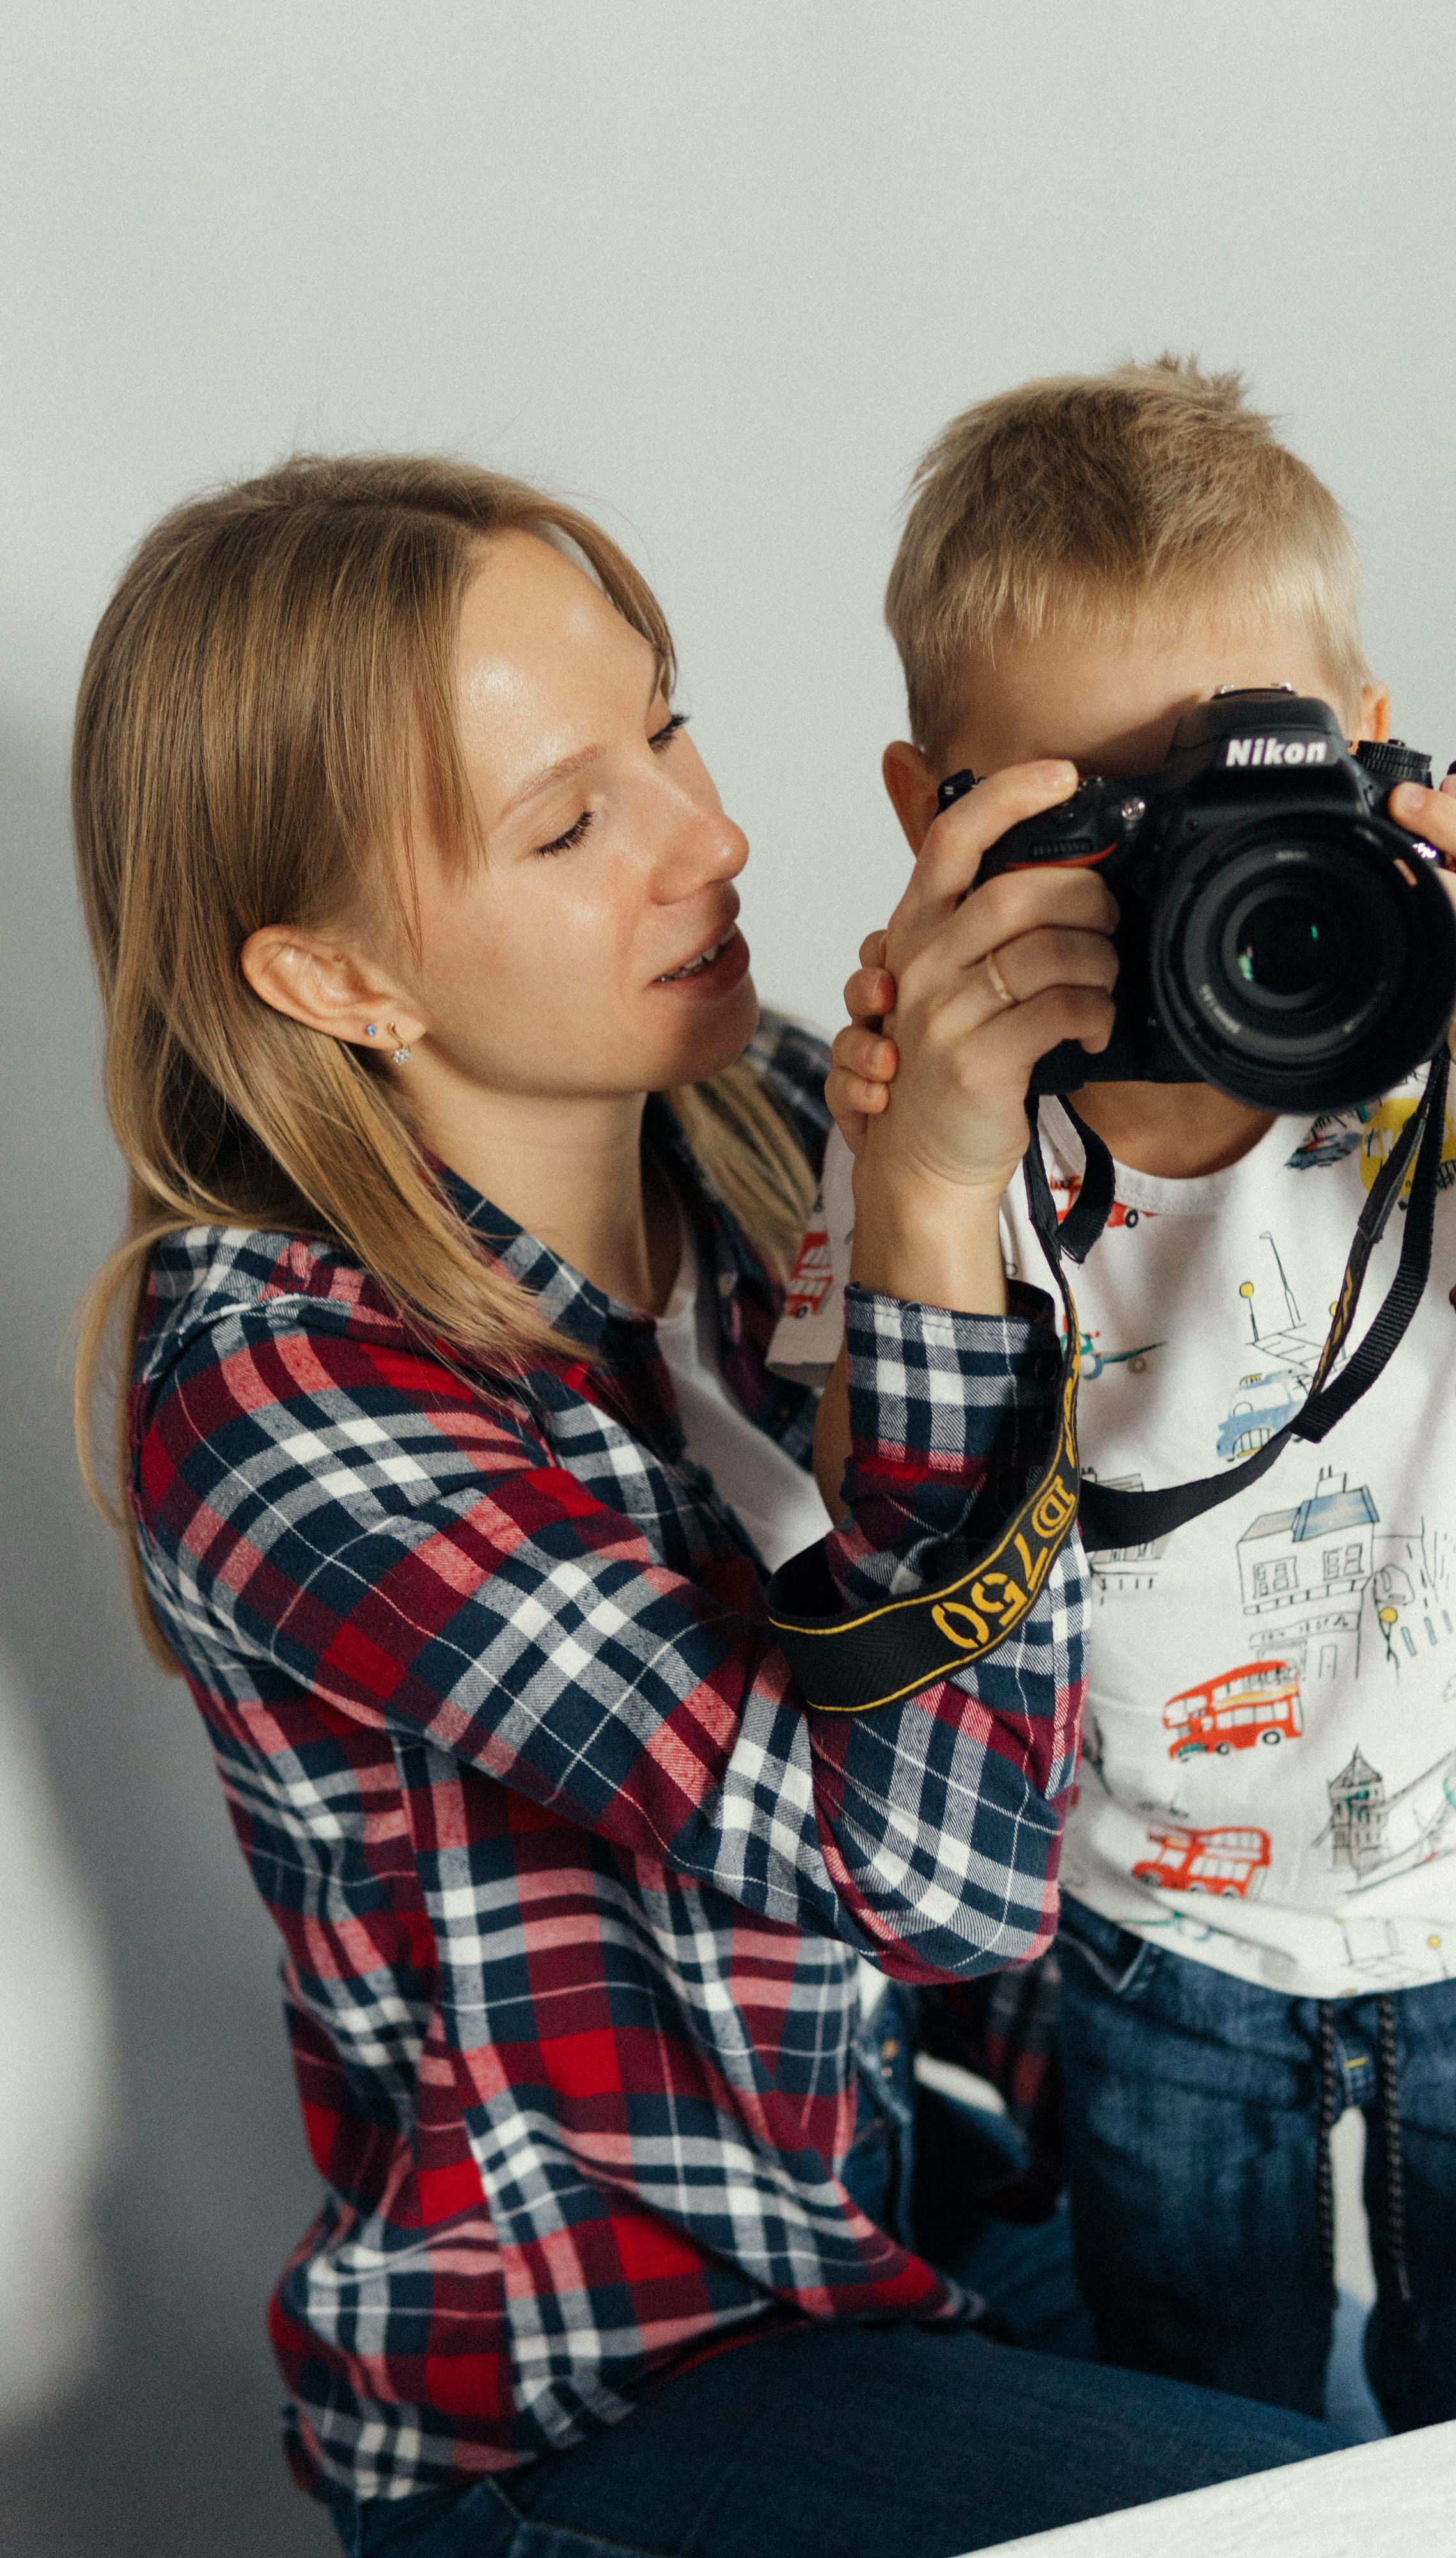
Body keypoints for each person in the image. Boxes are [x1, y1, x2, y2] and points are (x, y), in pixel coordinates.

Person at [70, 453, 1336, 2557]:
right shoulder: (276, 1382)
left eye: (666, 731)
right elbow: (928, 1882)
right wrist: (933, 1218)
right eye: (571, 822)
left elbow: (1280, 1496)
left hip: (927, 2239)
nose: (713, 836)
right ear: (335, 982)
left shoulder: (762, 1121)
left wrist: (1312, 1052)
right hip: (597, 2400)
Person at [787, 358, 1456, 2436]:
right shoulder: (936, 1116)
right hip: (1158, 1943)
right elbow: (888, 1532)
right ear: (934, 810)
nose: (1177, 875)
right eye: (1097, 817)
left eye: (1231, 793)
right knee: (1207, 2435)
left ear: (1367, 756)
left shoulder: (1454, 1052)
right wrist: (925, 1174)